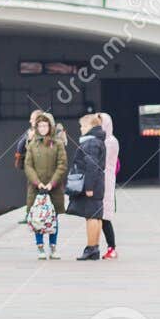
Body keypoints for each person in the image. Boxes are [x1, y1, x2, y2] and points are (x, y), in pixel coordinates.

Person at [22, 110, 66, 259]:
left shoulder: (58, 144)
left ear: (50, 127)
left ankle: (53, 248)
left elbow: (62, 165)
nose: (42, 129)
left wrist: (52, 183)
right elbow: (28, 165)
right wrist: (38, 182)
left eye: (45, 126)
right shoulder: (32, 145)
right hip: (36, 188)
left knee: (53, 218)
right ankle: (40, 248)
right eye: (39, 126)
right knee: (37, 218)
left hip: (54, 188)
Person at [66, 111, 106, 260]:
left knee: (91, 217)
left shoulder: (90, 143)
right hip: (98, 183)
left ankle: (90, 248)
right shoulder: (98, 140)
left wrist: (88, 187)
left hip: (91, 185)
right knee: (96, 217)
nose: (81, 128)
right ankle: (94, 248)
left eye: (82, 126)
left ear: (90, 125)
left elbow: (92, 165)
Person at [98, 111, 119, 260]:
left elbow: (102, 161)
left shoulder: (110, 141)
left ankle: (112, 248)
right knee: (100, 216)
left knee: (105, 217)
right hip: (101, 180)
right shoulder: (103, 140)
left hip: (106, 181)